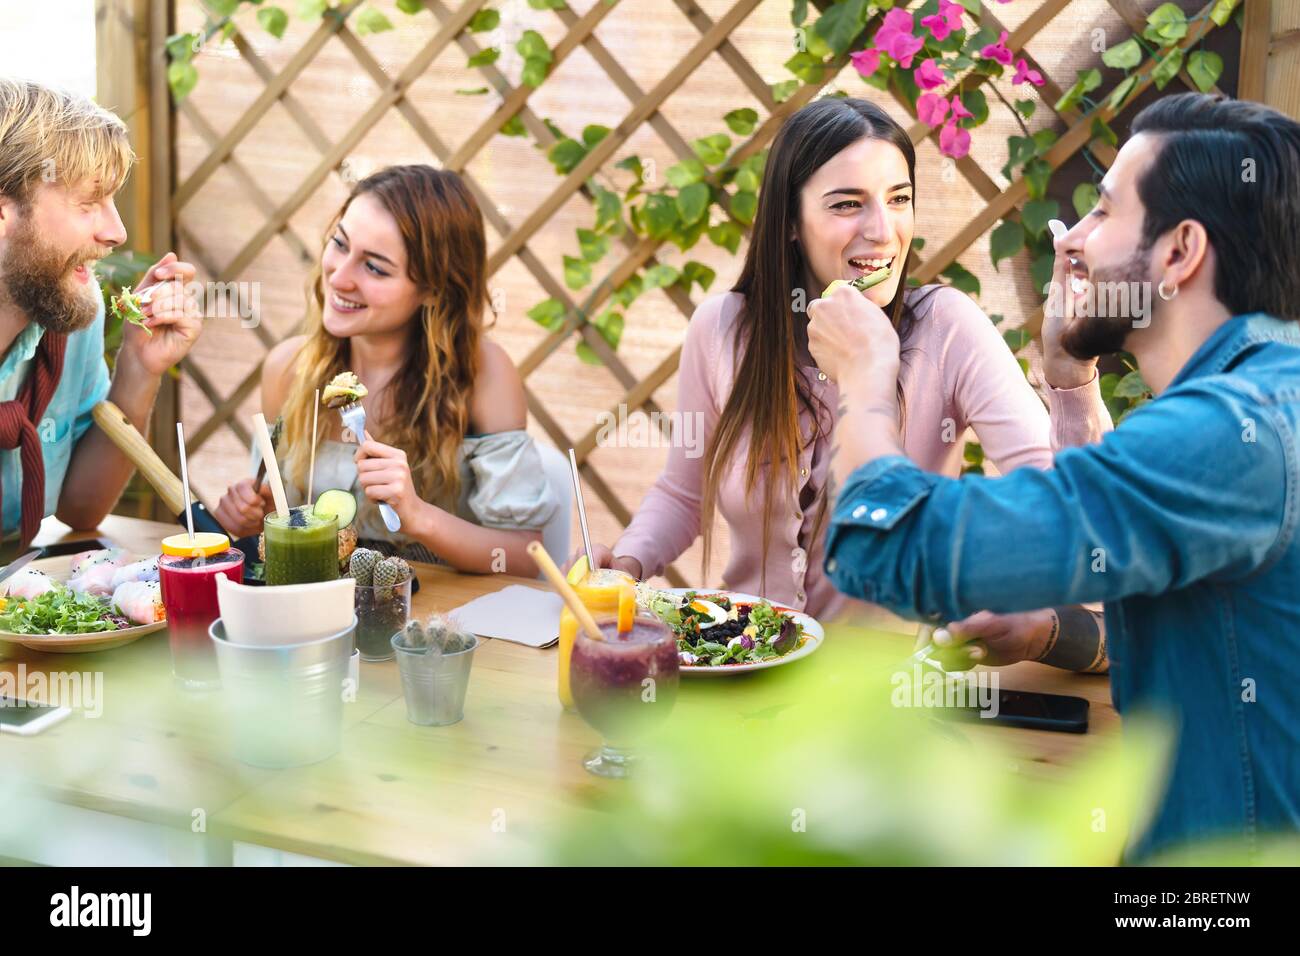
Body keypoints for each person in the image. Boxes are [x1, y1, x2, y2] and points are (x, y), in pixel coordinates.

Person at [811, 93, 1300, 859]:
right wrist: (1070, 378)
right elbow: (1109, 549)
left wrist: (868, 382)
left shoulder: (1228, 437)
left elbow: (893, 550)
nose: (1071, 242)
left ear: (1179, 253)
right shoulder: (1262, 400)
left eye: (1104, 213)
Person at [573, 97, 1108, 669]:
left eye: (899, 199)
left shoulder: (945, 328)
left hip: (885, 692)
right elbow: (684, 493)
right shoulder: (722, 329)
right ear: (791, 224)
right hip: (741, 667)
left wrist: (1072, 379)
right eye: (848, 204)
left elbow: (1070, 513)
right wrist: (624, 566)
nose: (882, 231)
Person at [213, 164, 557, 573]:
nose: (339, 278)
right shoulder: (288, 368)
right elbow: (275, 525)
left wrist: (419, 516)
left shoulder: (484, 375)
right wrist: (254, 518)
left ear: (433, 289)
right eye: (340, 244)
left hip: (438, 624)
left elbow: (522, 559)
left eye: (374, 267)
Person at [0, 78, 202, 555]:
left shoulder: (68, 320)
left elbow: (80, 508)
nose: (117, 231)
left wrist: (139, 365)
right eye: (88, 203)